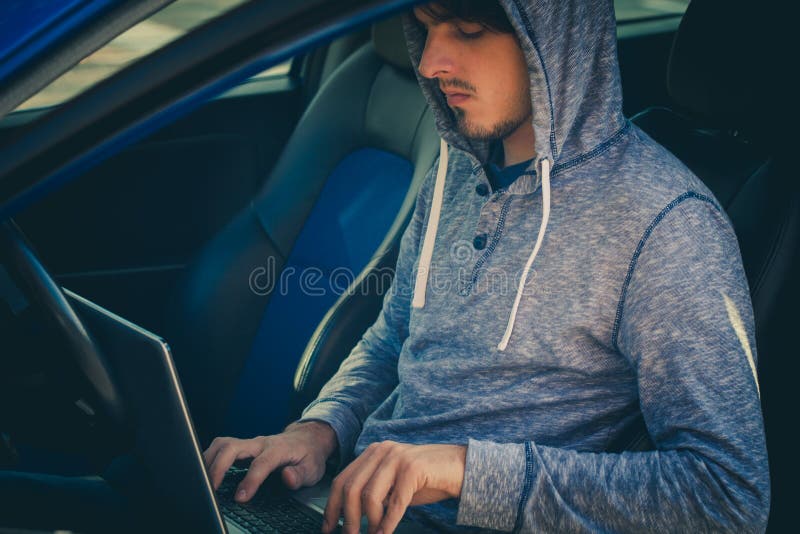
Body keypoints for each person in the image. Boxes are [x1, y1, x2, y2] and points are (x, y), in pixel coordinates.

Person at [202, 1, 770, 532]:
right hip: (349, 511)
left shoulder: (668, 224)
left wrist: (465, 471)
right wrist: (320, 429)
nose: (430, 61)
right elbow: (394, 334)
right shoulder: (456, 171)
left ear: (553, 38)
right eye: (425, 29)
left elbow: (727, 496)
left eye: (468, 32)